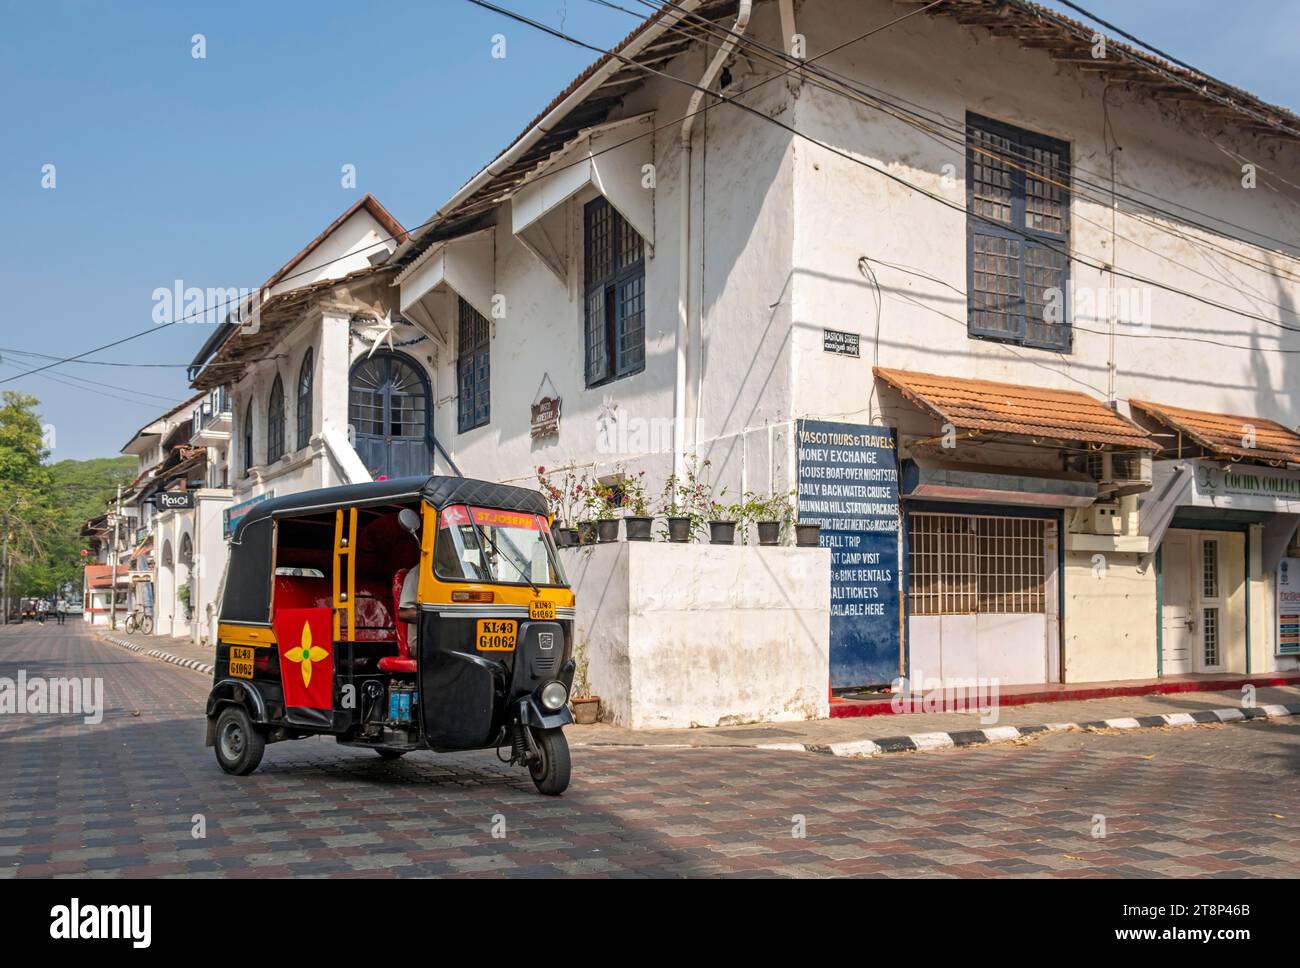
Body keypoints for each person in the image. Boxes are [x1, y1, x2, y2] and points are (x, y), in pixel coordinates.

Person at [397, 567, 419, 652]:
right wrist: (435, 617)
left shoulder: (455, 571)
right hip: (422, 643)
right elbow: (403, 614)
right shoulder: (416, 573)